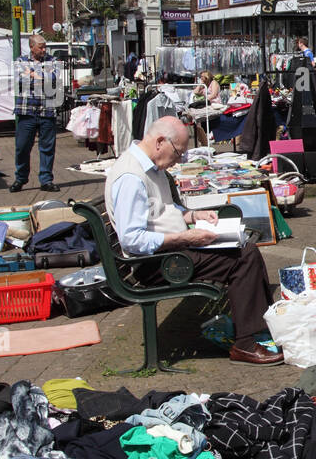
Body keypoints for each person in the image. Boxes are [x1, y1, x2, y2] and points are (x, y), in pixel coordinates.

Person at [105, 116, 283, 366]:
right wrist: (185, 237)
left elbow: (162, 211)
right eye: (178, 153)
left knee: (245, 248)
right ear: (159, 142)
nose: (178, 160)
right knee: (244, 258)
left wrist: (192, 215)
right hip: (155, 262)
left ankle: (263, 328)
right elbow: (132, 239)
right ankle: (247, 342)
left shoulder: (150, 166)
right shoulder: (131, 177)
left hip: (170, 250)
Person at [11, 33, 61, 193]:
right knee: (22, 147)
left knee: (47, 147)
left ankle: (46, 180)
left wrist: (32, 75)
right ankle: (21, 178)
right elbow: (21, 81)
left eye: (45, 46)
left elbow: (53, 79)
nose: (44, 50)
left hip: (47, 110)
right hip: (27, 111)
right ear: (32, 47)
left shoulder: (52, 61)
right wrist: (40, 77)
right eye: (41, 47)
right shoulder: (20, 61)